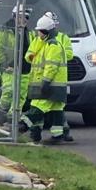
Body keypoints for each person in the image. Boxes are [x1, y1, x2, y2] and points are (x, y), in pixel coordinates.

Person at [20, 13, 68, 144]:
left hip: (51, 84)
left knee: (38, 107)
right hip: (55, 85)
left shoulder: (53, 46)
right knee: (56, 109)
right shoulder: (47, 44)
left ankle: (21, 126)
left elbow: (51, 67)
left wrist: (45, 81)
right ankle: (57, 136)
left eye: (40, 31)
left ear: (46, 32)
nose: (38, 33)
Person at [0, 5, 33, 126]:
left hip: (24, 69)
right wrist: (5, 65)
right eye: (23, 17)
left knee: (21, 95)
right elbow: (0, 49)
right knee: (8, 92)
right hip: (9, 68)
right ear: (15, 16)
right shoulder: (5, 31)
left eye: (27, 17)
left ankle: (12, 118)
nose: (25, 20)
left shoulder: (29, 32)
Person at [46, 12, 75, 142]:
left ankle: (63, 131)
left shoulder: (63, 38)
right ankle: (61, 131)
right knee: (50, 106)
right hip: (45, 75)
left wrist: (56, 52)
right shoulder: (41, 37)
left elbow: (69, 55)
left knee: (57, 106)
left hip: (58, 77)